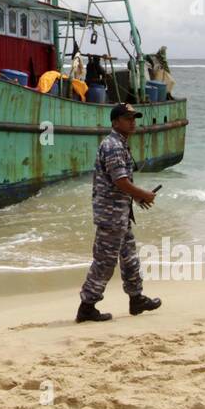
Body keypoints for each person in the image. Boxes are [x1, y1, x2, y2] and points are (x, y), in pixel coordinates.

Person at [76, 102, 161, 323]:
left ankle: (136, 299)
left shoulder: (119, 143)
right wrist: (141, 194)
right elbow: (120, 180)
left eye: (134, 118)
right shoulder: (113, 145)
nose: (133, 122)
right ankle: (87, 306)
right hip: (111, 215)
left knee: (129, 257)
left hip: (119, 212)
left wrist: (137, 198)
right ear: (115, 122)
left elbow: (120, 183)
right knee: (104, 261)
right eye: (128, 118)